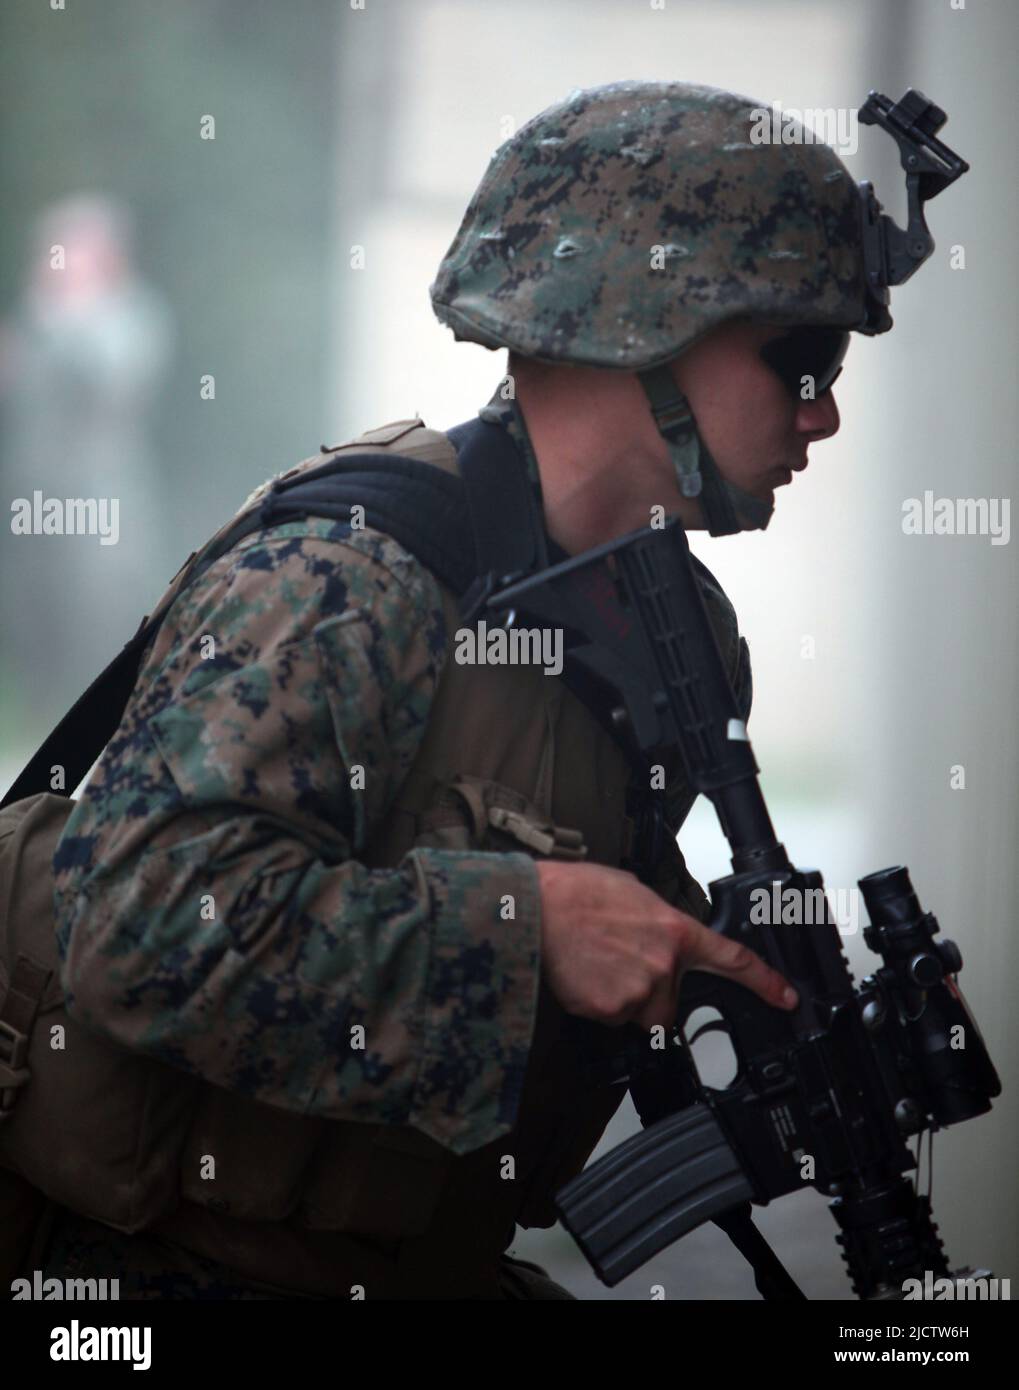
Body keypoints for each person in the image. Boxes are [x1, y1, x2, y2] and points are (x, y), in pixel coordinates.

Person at [38, 79, 883, 1300]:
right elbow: (137, 924)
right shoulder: (348, 575)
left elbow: (604, 946)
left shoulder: (680, 632)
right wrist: (520, 932)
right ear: (640, 323)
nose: (825, 412)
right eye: (800, 358)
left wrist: (778, 998)